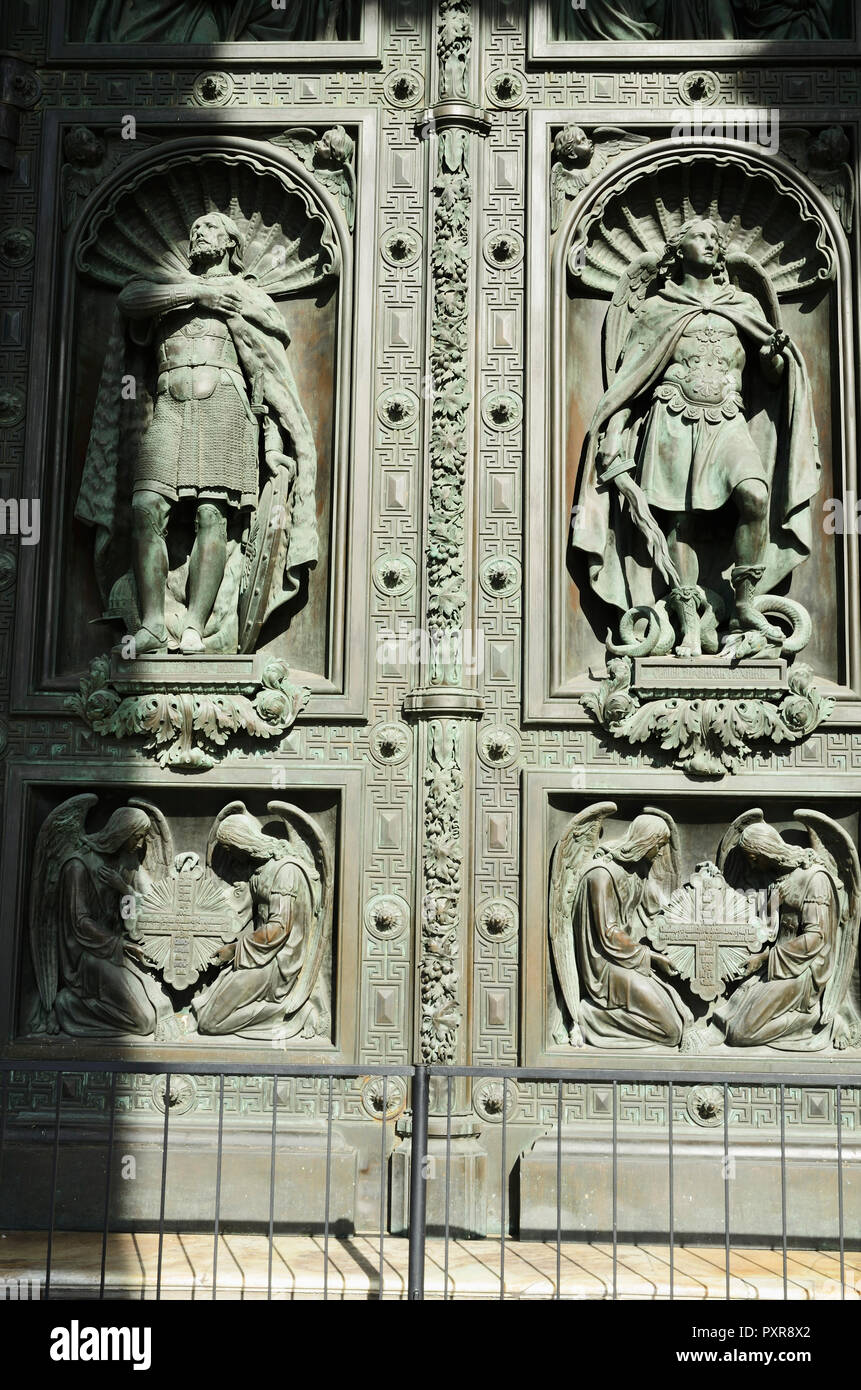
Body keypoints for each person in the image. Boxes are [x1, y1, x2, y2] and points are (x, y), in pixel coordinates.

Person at [571, 217, 820, 653]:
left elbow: (772, 377)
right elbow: (631, 381)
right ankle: (687, 627)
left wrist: (775, 356)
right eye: (700, 236)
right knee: (680, 522)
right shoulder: (655, 307)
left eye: (714, 238)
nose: (712, 242)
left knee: (755, 497)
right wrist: (612, 435)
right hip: (672, 417)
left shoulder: (742, 303)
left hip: (727, 418)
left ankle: (744, 605)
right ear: (678, 249)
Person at [193, 813, 325, 1038]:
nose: (231, 855)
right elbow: (236, 908)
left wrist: (234, 951)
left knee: (209, 1023)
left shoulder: (286, 870)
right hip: (258, 954)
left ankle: (297, 1015)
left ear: (243, 844)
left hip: (279, 963)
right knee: (204, 1010)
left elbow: (279, 928)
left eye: (230, 848)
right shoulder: (260, 871)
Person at [51, 808, 175, 1038]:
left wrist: (125, 889)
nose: (140, 845)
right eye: (137, 837)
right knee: (145, 1022)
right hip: (89, 957)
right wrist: (118, 944)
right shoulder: (78, 865)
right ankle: (69, 1006)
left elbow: (152, 900)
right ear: (123, 832)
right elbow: (79, 923)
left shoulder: (127, 861)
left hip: (121, 950)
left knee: (160, 1010)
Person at [570, 814, 692, 1047]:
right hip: (605, 966)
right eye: (658, 846)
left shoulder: (636, 871)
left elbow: (654, 908)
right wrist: (652, 958)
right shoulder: (601, 874)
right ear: (645, 841)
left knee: (679, 1019)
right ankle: (589, 1016)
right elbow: (608, 934)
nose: (659, 852)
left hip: (626, 958)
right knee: (671, 1032)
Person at [716, 822, 840, 1047]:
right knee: (727, 1016)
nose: (752, 867)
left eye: (754, 859)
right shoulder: (781, 877)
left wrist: (765, 958)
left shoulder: (815, 878)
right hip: (779, 966)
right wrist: (715, 882)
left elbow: (815, 938)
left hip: (804, 972)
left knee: (740, 1033)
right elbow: (764, 923)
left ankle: (819, 1024)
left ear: (768, 851)